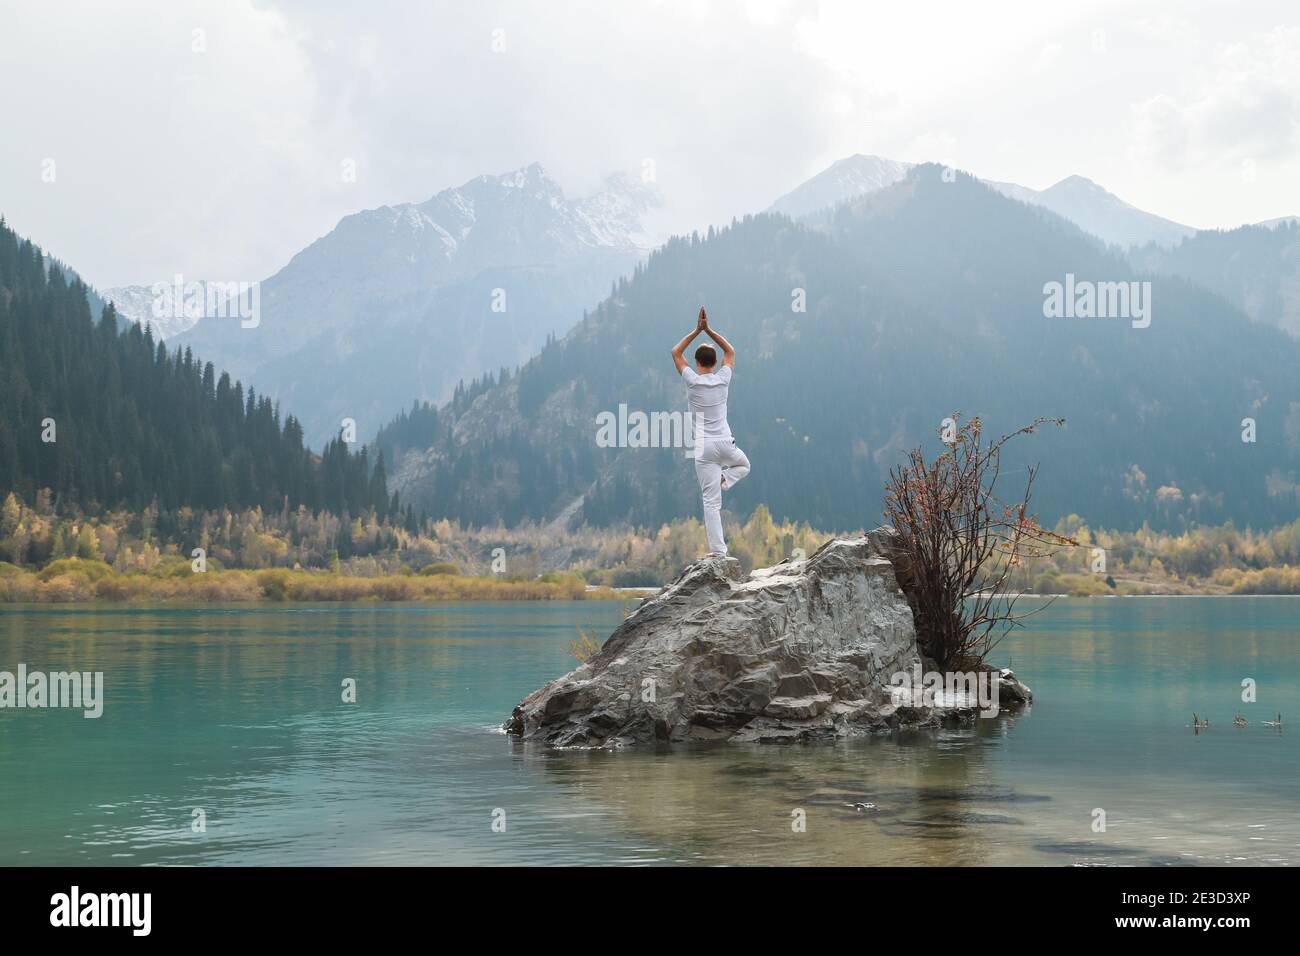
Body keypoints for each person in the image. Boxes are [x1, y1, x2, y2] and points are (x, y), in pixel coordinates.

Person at [671, 306, 750, 558]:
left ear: (696, 363)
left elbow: (675, 352)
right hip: (726, 444)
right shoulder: (723, 378)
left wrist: (697, 330)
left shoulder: (692, 381)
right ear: (715, 364)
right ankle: (724, 480)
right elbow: (730, 350)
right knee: (744, 466)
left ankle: (718, 552)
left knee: (711, 503)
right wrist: (709, 329)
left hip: (704, 449)